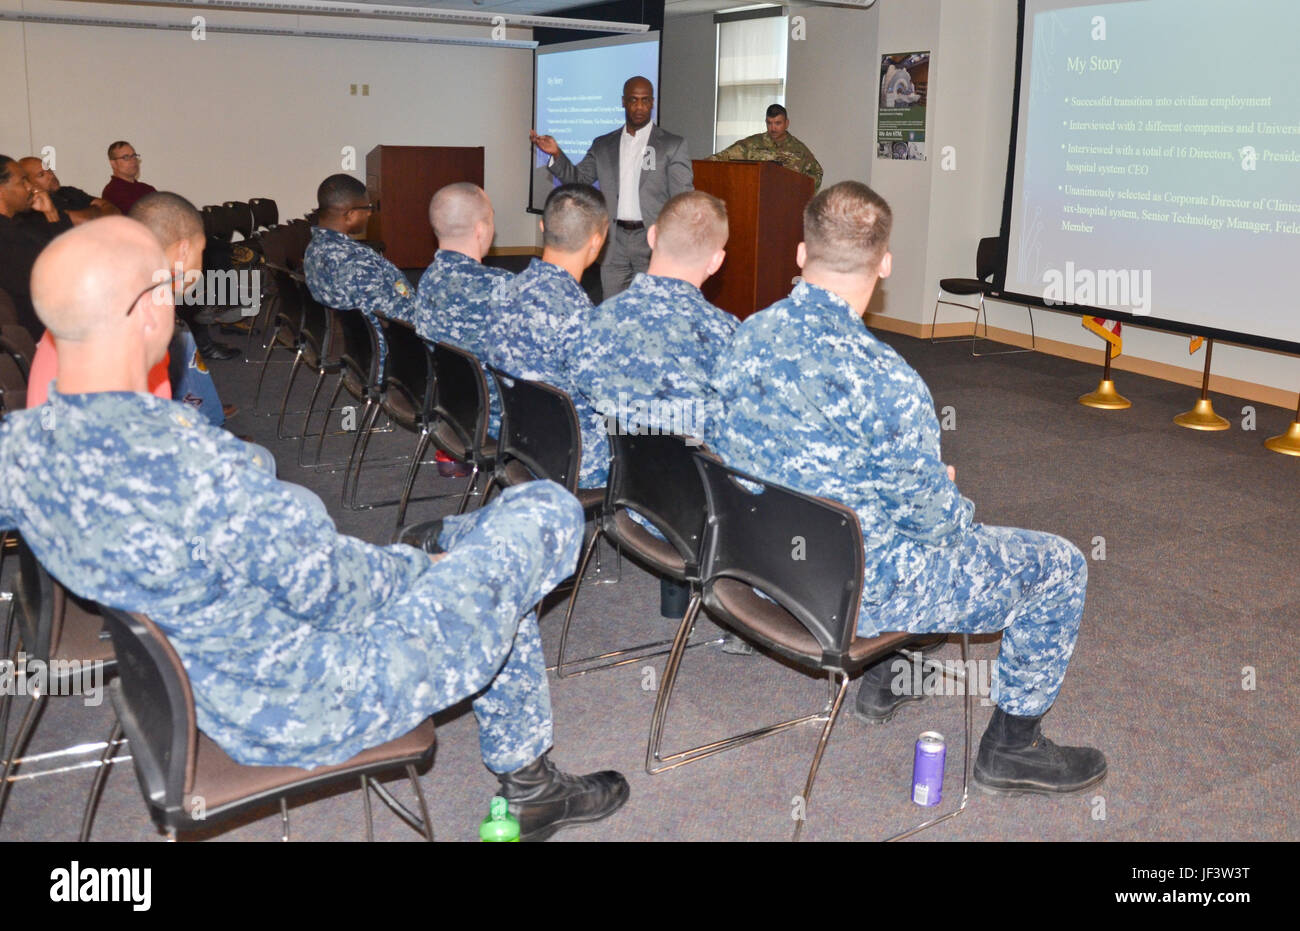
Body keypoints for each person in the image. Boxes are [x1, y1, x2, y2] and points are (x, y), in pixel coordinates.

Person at [0, 217, 630, 841]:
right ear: (149, 307)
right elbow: (336, 592)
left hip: (204, 684)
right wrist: (421, 572)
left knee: (481, 556)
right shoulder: (195, 466)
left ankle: (527, 772)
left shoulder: (21, 449)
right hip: (321, 692)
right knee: (546, 511)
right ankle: (530, 780)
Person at [707, 181, 1107, 795]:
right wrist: (948, 497)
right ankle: (1013, 748)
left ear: (799, 253)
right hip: (853, 590)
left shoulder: (744, 336)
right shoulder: (888, 381)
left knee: (890, 512)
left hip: (755, 566)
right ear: (885, 264)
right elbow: (939, 528)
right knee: (1059, 566)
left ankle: (889, 675)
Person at [570, 189, 736, 623]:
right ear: (717, 261)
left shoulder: (597, 319)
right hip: (698, 510)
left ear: (653, 235)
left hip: (617, 493)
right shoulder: (727, 337)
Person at [487, 183, 609, 489]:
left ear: (542, 226)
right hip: (573, 459)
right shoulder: (582, 317)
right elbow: (609, 399)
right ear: (598, 241)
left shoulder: (501, 290)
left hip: (511, 436)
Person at [530, 76, 693, 299]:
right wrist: (556, 154)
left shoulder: (671, 145)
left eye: (645, 100)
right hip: (614, 244)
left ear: (652, 103)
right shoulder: (603, 144)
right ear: (623, 102)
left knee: (651, 308)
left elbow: (682, 200)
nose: (639, 107)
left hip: (652, 242)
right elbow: (578, 179)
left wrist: (675, 245)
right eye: (633, 100)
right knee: (611, 308)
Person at [414, 183, 511, 444]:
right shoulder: (501, 286)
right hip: (504, 417)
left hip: (451, 407)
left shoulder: (428, 278)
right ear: (481, 229)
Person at [304, 174, 416, 372]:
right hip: (392, 350)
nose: (370, 214)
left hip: (356, 346)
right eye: (367, 208)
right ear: (350, 214)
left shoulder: (316, 247)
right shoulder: (354, 262)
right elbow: (397, 318)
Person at [0, 154, 71, 336]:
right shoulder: (8, 238)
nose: (30, 187)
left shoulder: (20, 225)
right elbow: (67, 272)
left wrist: (51, 213)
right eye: (22, 181)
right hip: (40, 335)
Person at [709, 104, 823, 191]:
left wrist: (800, 195)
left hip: (786, 205)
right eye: (769, 123)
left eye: (778, 123)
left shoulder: (799, 150)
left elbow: (816, 172)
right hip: (756, 201)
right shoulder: (752, 144)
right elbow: (723, 156)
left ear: (787, 123)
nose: (773, 128)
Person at [20, 157, 120, 224]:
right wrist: (96, 209)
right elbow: (83, 221)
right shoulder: (36, 207)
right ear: (28, 183)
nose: (50, 175)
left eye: (49, 170)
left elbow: (113, 209)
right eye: (41, 175)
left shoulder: (69, 191)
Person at [101, 141, 157, 215]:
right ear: (113, 163)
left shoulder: (148, 189)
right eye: (126, 157)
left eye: (134, 156)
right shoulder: (111, 193)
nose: (133, 160)